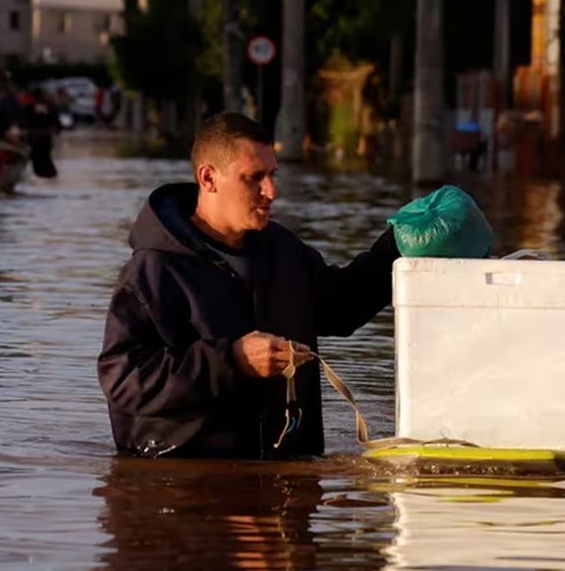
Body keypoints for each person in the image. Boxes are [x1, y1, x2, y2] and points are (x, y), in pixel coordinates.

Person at [98, 112, 401, 459]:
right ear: (208, 178)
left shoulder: (283, 249)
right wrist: (232, 359)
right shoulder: (152, 270)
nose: (271, 191)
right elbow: (123, 381)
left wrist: (398, 246)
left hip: (285, 479)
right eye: (253, 177)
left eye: (272, 175)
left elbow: (342, 307)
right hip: (184, 488)